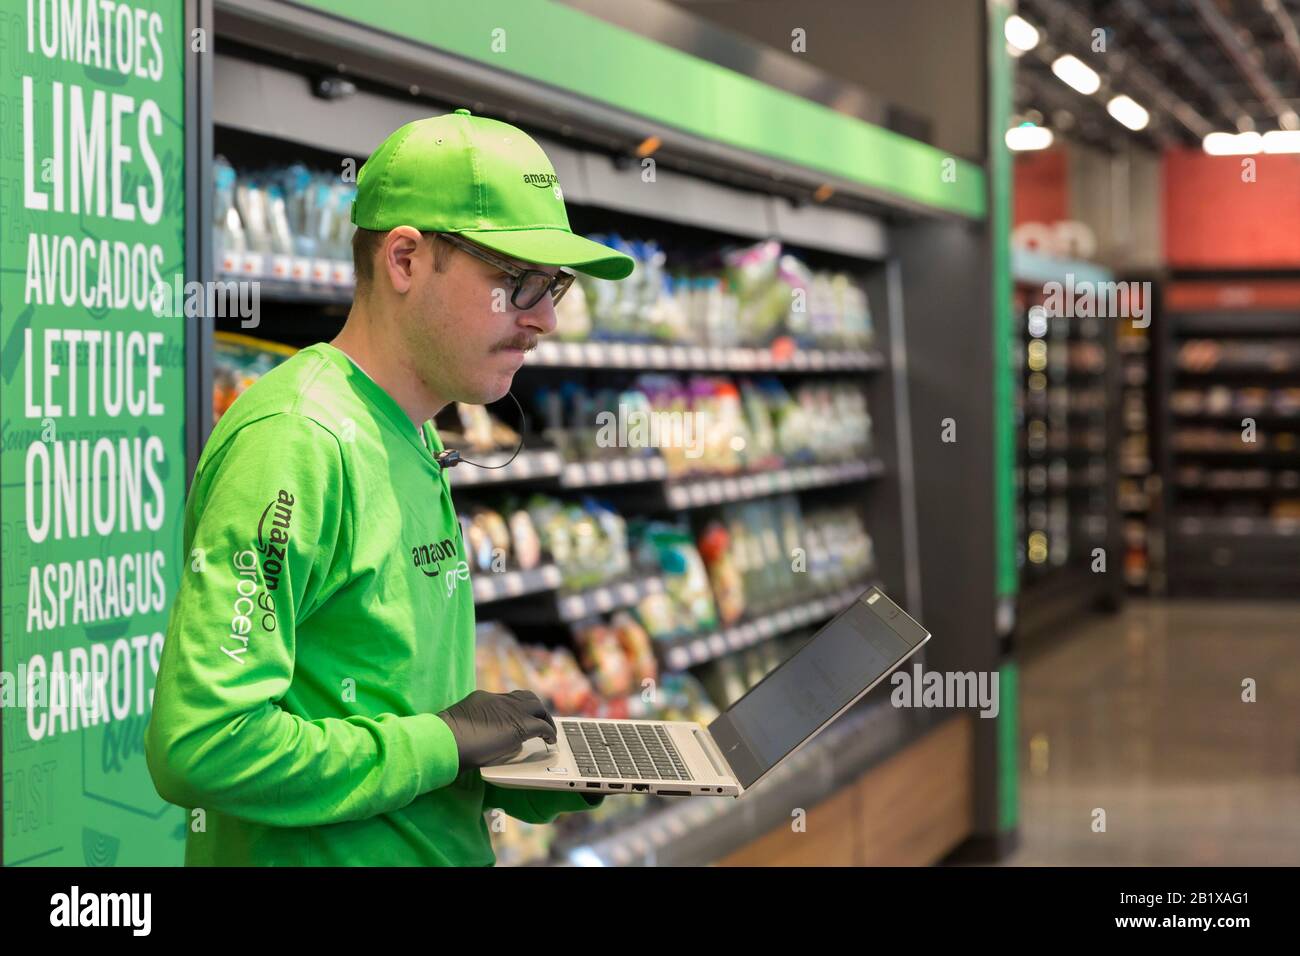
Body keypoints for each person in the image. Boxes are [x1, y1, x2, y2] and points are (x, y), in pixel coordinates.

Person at [145, 109, 634, 866]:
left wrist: (524, 764)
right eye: (519, 282)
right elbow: (205, 745)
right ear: (404, 260)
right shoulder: (297, 440)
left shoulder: (416, 431)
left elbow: (391, 723)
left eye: (556, 286)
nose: (545, 320)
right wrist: (442, 741)